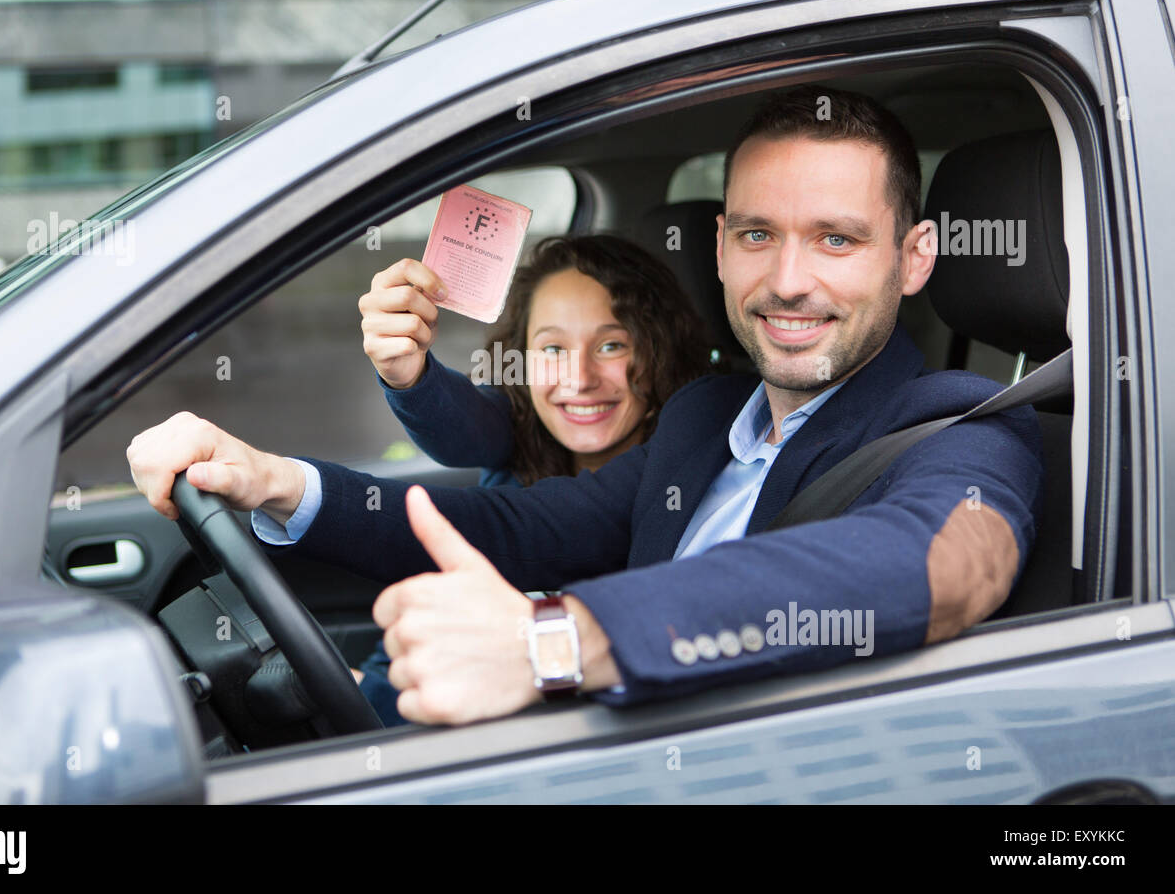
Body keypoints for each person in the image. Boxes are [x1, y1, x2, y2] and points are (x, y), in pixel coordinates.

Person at [126, 85, 1044, 727]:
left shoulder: (965, 426)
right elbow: (519, 529)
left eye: (837, 240)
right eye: (759, 234)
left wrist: (553, 645)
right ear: (721, 249)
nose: (789, 280)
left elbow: (941, 567)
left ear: (915, 258)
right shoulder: (701, 420)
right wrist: (277, 482)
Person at [350, 235, 711, 722]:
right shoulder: (518, 430)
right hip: (400, 687)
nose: (579, 378)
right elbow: (461, 423)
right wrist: (409, 377)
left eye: (612, 345)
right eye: (553, 348)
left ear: (660, 354)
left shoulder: (684, 468)